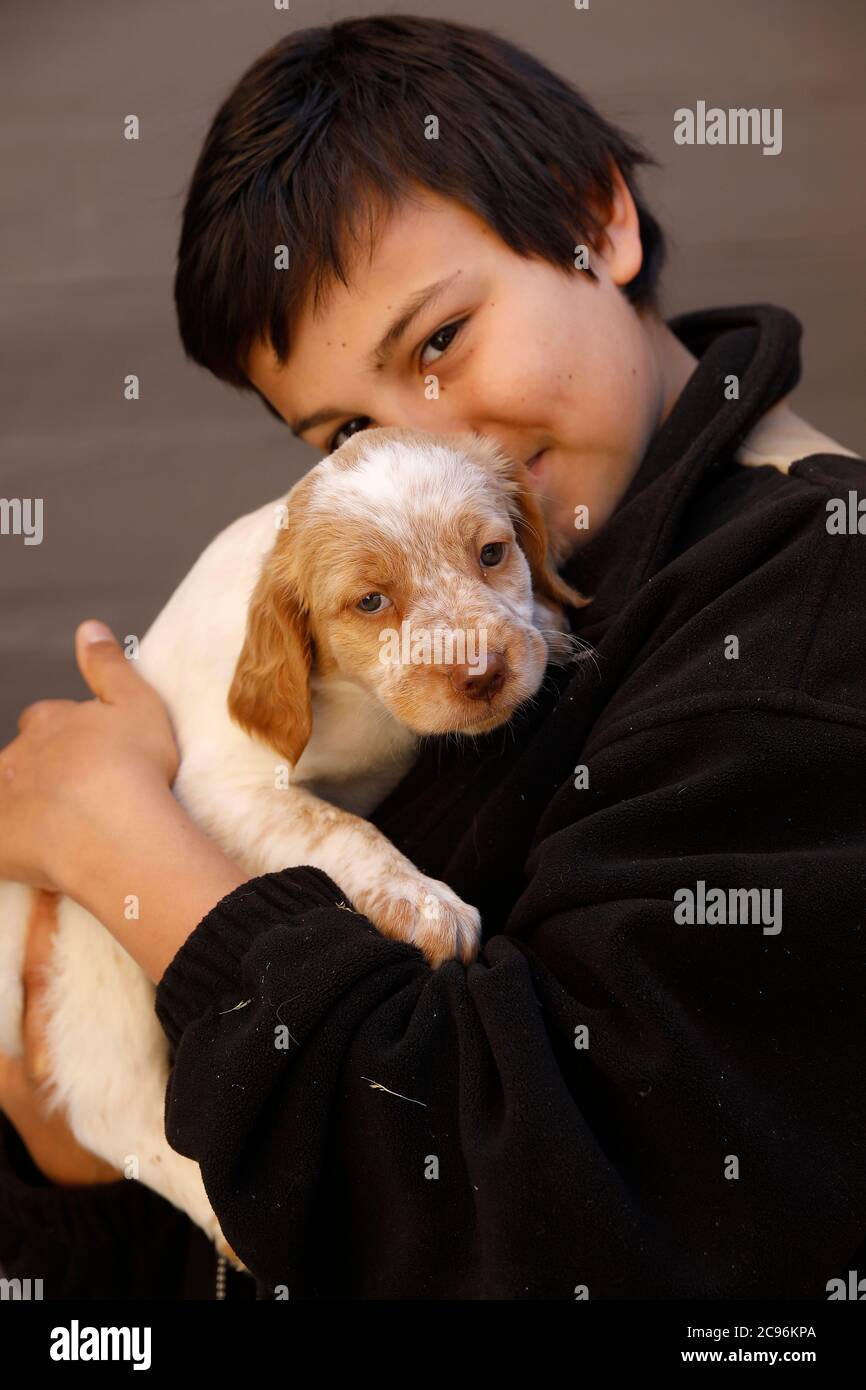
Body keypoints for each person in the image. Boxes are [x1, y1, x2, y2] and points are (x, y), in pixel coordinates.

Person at [1, 14, 864, 1301]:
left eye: (439, 341)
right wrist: (66, 1133)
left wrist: (118, 848)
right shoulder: (489, 592)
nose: (413, 449)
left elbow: (555, 1208)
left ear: (597, 220)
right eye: (343, 425)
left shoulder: (811, 613)